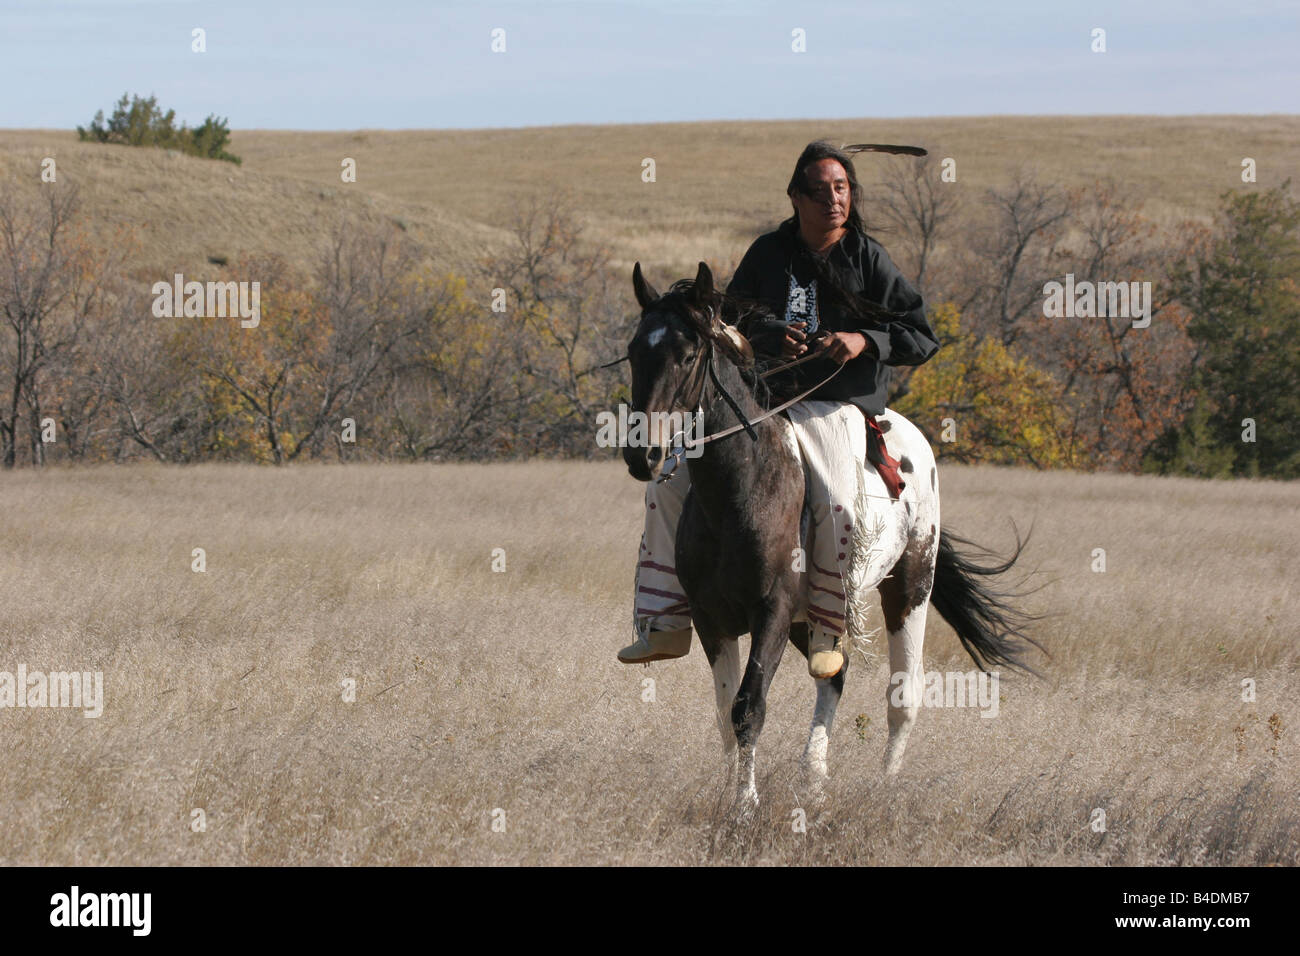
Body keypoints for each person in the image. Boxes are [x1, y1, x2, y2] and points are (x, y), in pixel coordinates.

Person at [618, 140, 939, 677]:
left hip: (837, 407)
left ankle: (824, 627)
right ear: (795, 197)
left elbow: (922, 336)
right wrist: (767, 333)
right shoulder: (769, 252)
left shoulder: (868, 259)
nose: (833, 200)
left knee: (837, 499)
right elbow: (731, 325)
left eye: (841, 189)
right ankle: (665, 622)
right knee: (667, 484)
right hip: (767, 403)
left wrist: (862, 341)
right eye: (819, 191)